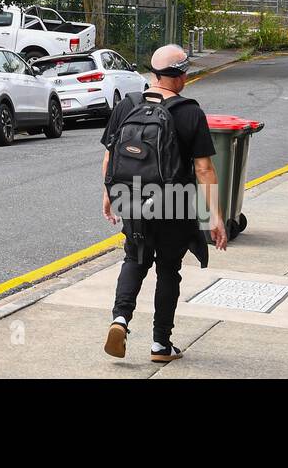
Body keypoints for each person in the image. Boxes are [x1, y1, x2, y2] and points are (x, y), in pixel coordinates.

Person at [100, 44, 227, 362]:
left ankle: (120, 320)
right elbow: (204, 169)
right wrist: (216, 216)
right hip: (175, 202)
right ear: (181, 75)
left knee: (134, 259)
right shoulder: (190, 111)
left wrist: (108, 193)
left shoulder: (127, 104)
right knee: (168, 269)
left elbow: (111, 155)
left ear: (154, 73)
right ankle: (160, 344)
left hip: (131, 197)